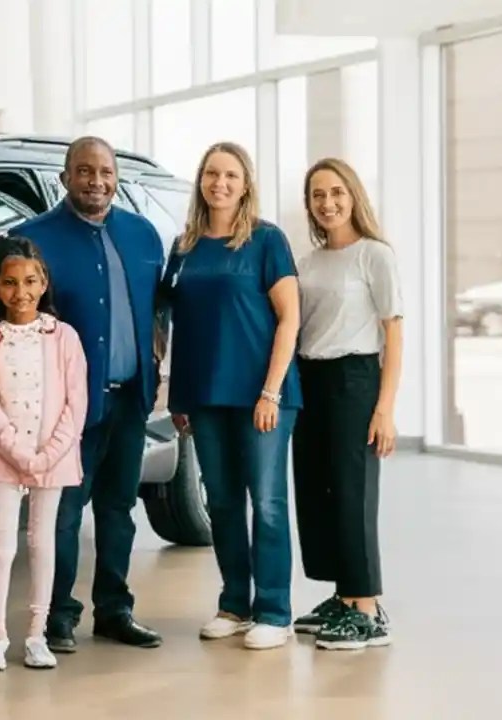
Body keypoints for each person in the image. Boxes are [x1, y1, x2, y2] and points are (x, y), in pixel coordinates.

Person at [13, 136, 168, 652]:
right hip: (65, 408)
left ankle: (115, 611)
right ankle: (57, 615)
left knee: (119, 509)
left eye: (104, 172)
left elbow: (159, 311)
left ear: (116, 177)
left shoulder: (143, 235)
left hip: (130, 399)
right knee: (63, 513)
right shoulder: (31, 240)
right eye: (83, 171)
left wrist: (157, 366)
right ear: (65, 178)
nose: (95, 181)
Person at [160, 141, 302, 650]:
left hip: (263, 395)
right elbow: (177, 325)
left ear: (246, 186)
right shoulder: (184, 246)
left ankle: (275, 611)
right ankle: (235, 605)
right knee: (221, 502)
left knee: (266, 502)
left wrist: (271, 392)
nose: (219, 183)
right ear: (201, 181)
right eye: (212, 174)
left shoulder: (267, 240)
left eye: (231, 176)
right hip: (205, 396)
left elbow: (289, 318)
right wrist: (179, 397)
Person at [291, 158, 401, 651]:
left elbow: (393, 333)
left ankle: (367, 608)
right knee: (317, 489)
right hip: (309, 379)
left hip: (355, 379)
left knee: (354, 493)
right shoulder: (309, 262)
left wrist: (385, 408)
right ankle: (343, 595)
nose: (327, 203)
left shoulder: (374, 255)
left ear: (353, 195)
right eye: (317, 195)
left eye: (336, 192)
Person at [0, 235, 88, 671]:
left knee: (42, 544)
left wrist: (46, 456)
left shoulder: (63, 337)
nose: (21, 292)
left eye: (31, 281)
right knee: (1, 548)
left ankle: (37, 634)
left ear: (44, 283)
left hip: (53, 458)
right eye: (10, 282)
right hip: (5, 457)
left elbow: (76, 403)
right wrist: (20, 454)